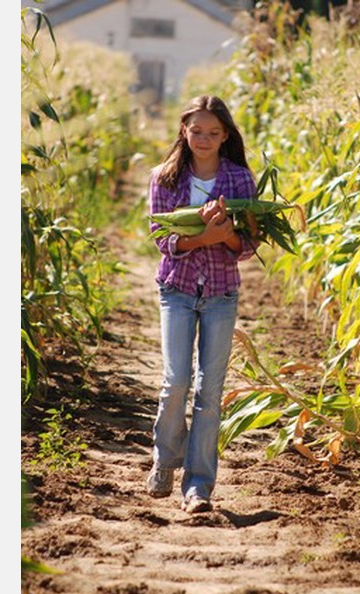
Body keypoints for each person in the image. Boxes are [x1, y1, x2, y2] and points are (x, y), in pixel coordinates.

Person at [146, 95, 261, 514]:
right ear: (184, 130)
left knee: (209, 392)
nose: (204, 139)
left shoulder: (239, 181)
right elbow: (161, 238)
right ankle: (165, 459)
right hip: (176, 289)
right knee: (175, 381)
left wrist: (226, 237)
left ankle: (198, 487)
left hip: (220, 294)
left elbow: (248, 245)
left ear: (226, 135)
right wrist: (203, 238)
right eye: (196, 131)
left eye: (213, 132)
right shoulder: (165, 177)